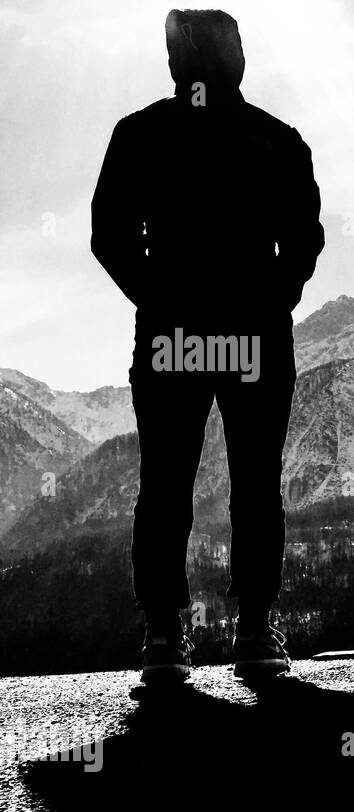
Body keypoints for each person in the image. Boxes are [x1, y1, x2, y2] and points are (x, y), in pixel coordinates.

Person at [91, 9, 325, 683]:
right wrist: (272, 297)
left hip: (175, 337)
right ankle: (254, 628)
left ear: (174, 64)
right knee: (255, 484)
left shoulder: (139, 135)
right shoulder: (277, 140)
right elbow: (303, 240)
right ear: (239, 59)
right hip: (253, 336)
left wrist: (157, 297)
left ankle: (164, 634)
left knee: (166, 484)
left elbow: (110, 235)